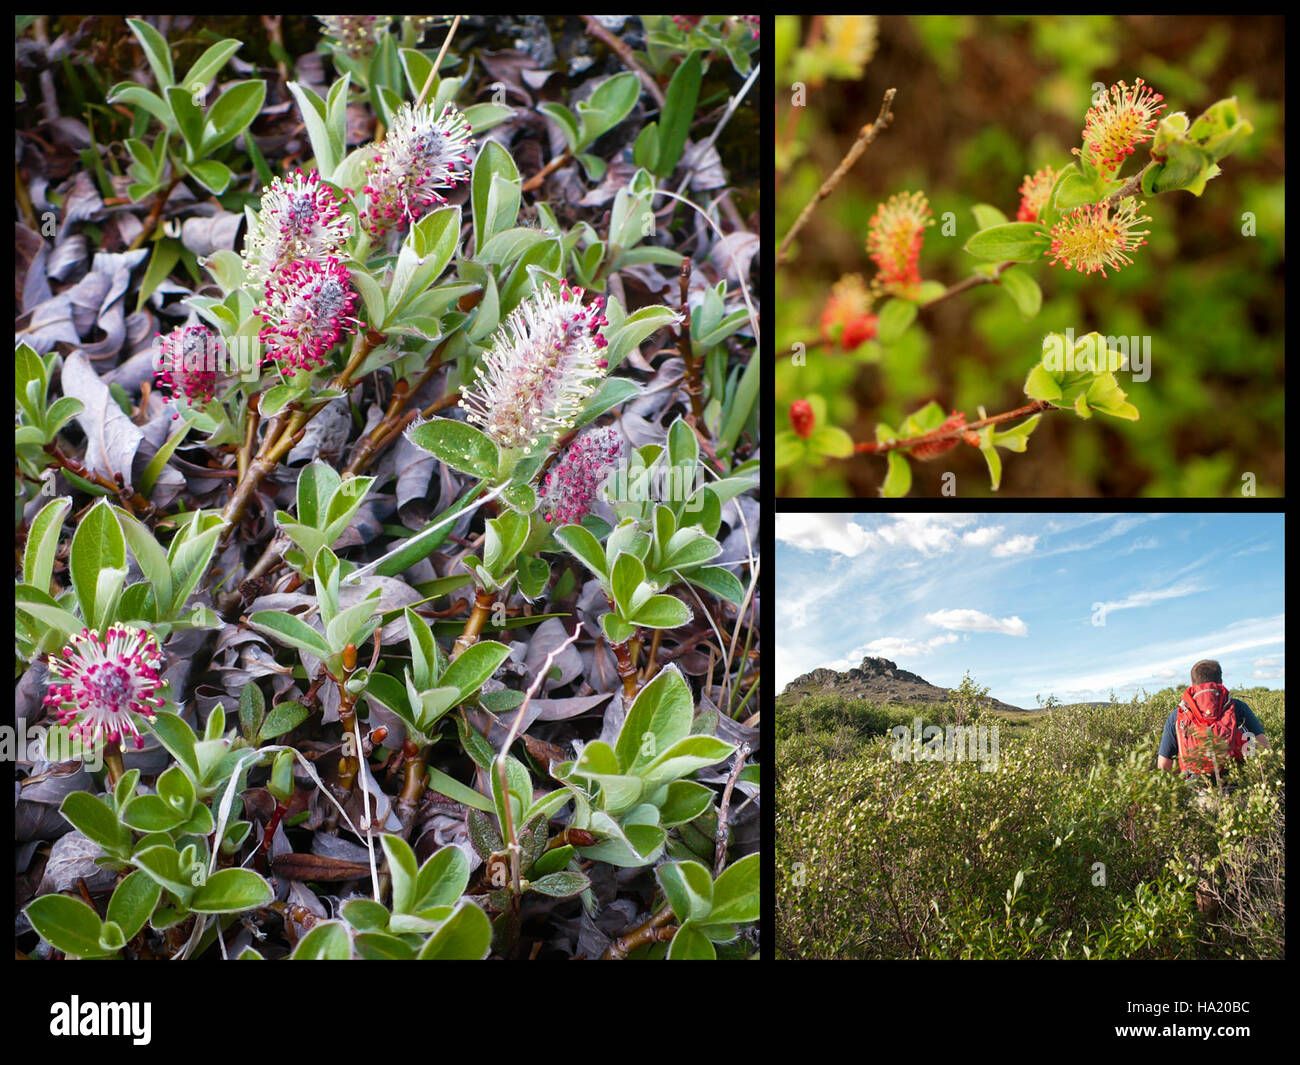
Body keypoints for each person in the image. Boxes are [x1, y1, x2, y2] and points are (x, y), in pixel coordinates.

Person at [1156, 659, 1269, 785]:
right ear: (1220, 682)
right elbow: (1264, 747)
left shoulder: (1178, 715)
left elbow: (1163, 764)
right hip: (1237, 786)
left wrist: (1184, 778)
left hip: (1197, 789)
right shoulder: (1238, 707)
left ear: (1192, 684)